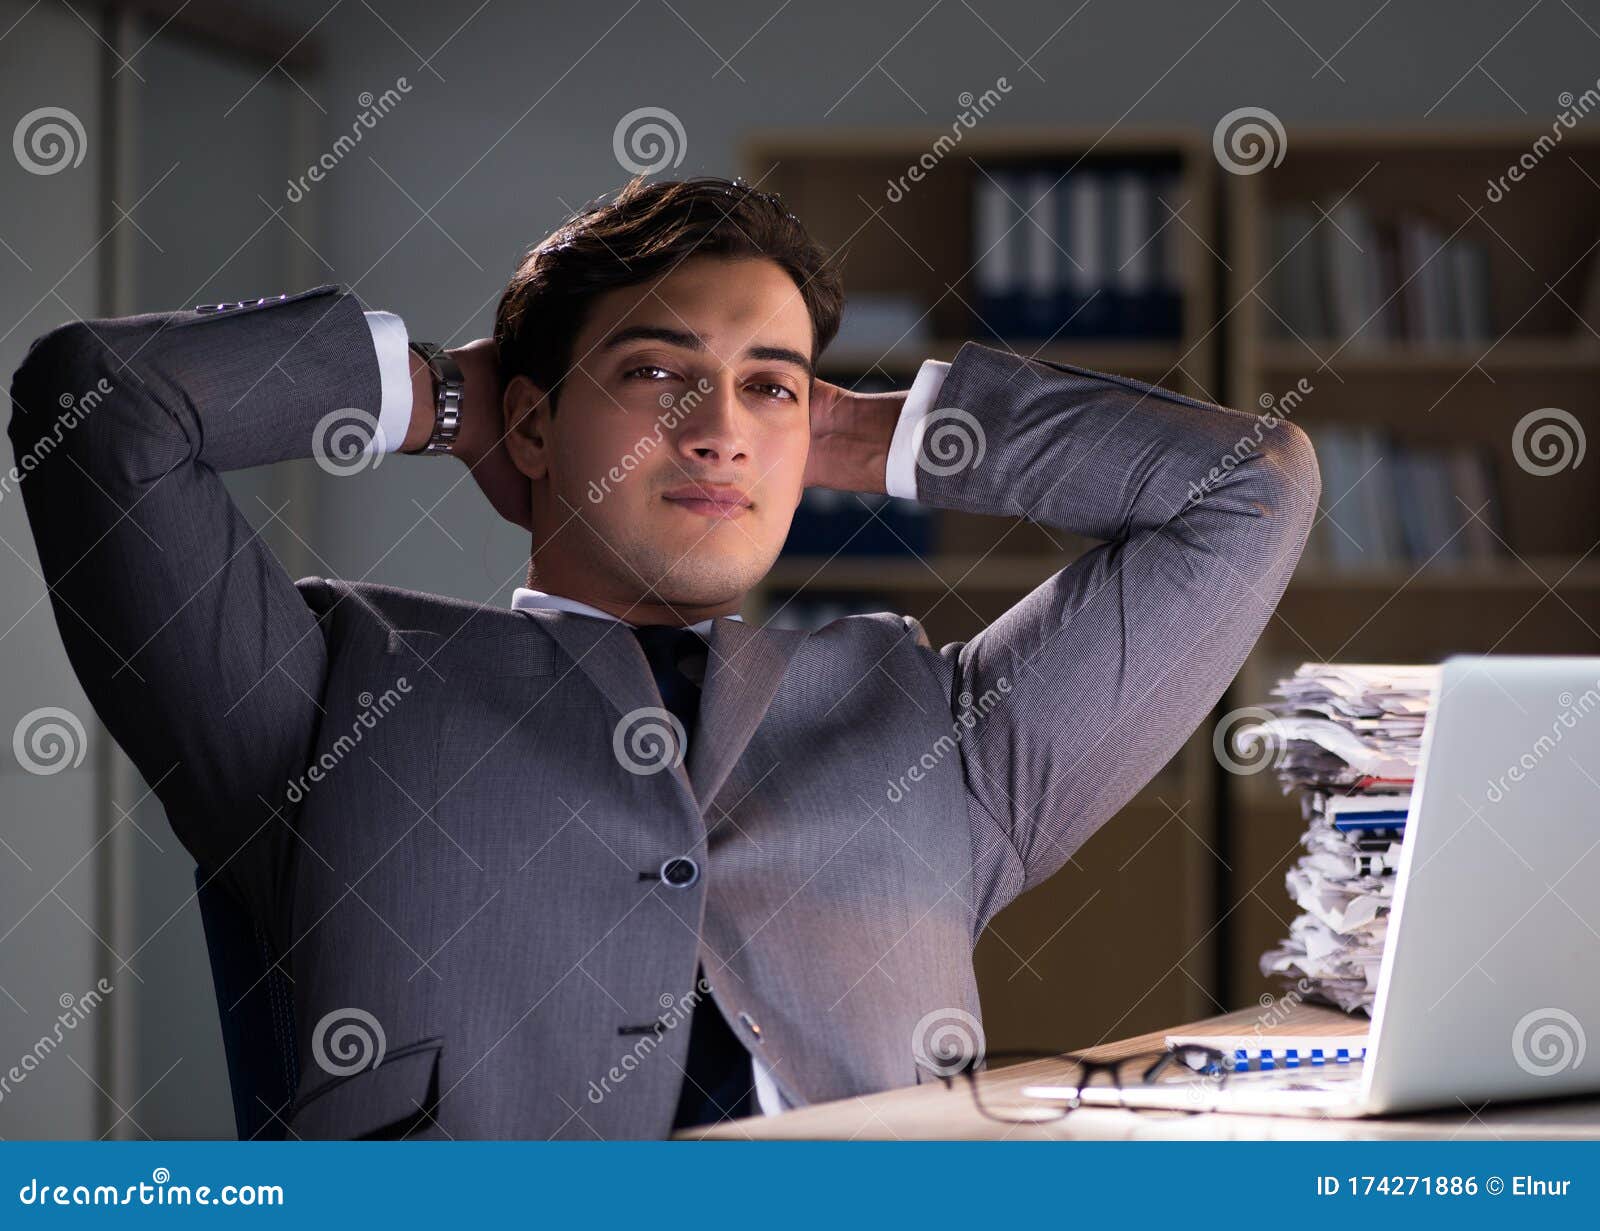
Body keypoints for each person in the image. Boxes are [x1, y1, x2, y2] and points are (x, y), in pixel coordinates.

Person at [7, 175, 1318, 1139]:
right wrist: (439, 398)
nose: (721, 432)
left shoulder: (938, 721)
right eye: (657, 374)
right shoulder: (318, 691)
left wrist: (863, 435)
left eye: (771, 385)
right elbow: (100, 409)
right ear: (533, 422)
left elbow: (1247, 491)